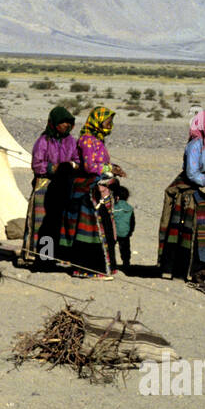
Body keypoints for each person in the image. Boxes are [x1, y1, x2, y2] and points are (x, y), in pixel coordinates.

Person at [158, 109, 205, 280]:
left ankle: (204, 270)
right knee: (190, 235)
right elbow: (192, 173)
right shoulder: (195, 145)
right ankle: (181, 271)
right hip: (193, 194)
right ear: (204, 125)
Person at [56, 106, 125, 279]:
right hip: (88, 192)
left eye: (111, 122)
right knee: (91, 231)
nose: (110, 125)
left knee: (104, 229)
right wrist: (110, 169)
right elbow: (89, 166)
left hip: (99, 188)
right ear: (98, 122)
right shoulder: (87, 140)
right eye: (107, 121)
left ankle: (103, 266)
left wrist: (112, 169)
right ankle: (87, 268)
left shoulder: (98, 140)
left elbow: (99, 164)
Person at [19, 106, 78, 268]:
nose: (66, 125)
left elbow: (77, 159)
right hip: (44, 186)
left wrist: (71, 166)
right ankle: (41, 257)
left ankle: (57, 256)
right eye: (63, 122)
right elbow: (37, 165)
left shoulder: (71, 141)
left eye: (69, 122)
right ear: (54, 123)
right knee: (42, 222)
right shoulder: (43, 141)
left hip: (64, 185)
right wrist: (55, 168)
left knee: (61, 221)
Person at [110, 183, 135, 272]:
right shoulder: (130, 208)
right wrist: (131, 231)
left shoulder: (113, 207)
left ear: (116, 197)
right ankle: (126, 262)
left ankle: (111, 264)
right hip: (125, 232)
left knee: (111, 247)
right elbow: (132, 222)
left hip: (114, 231)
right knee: (125, 248)